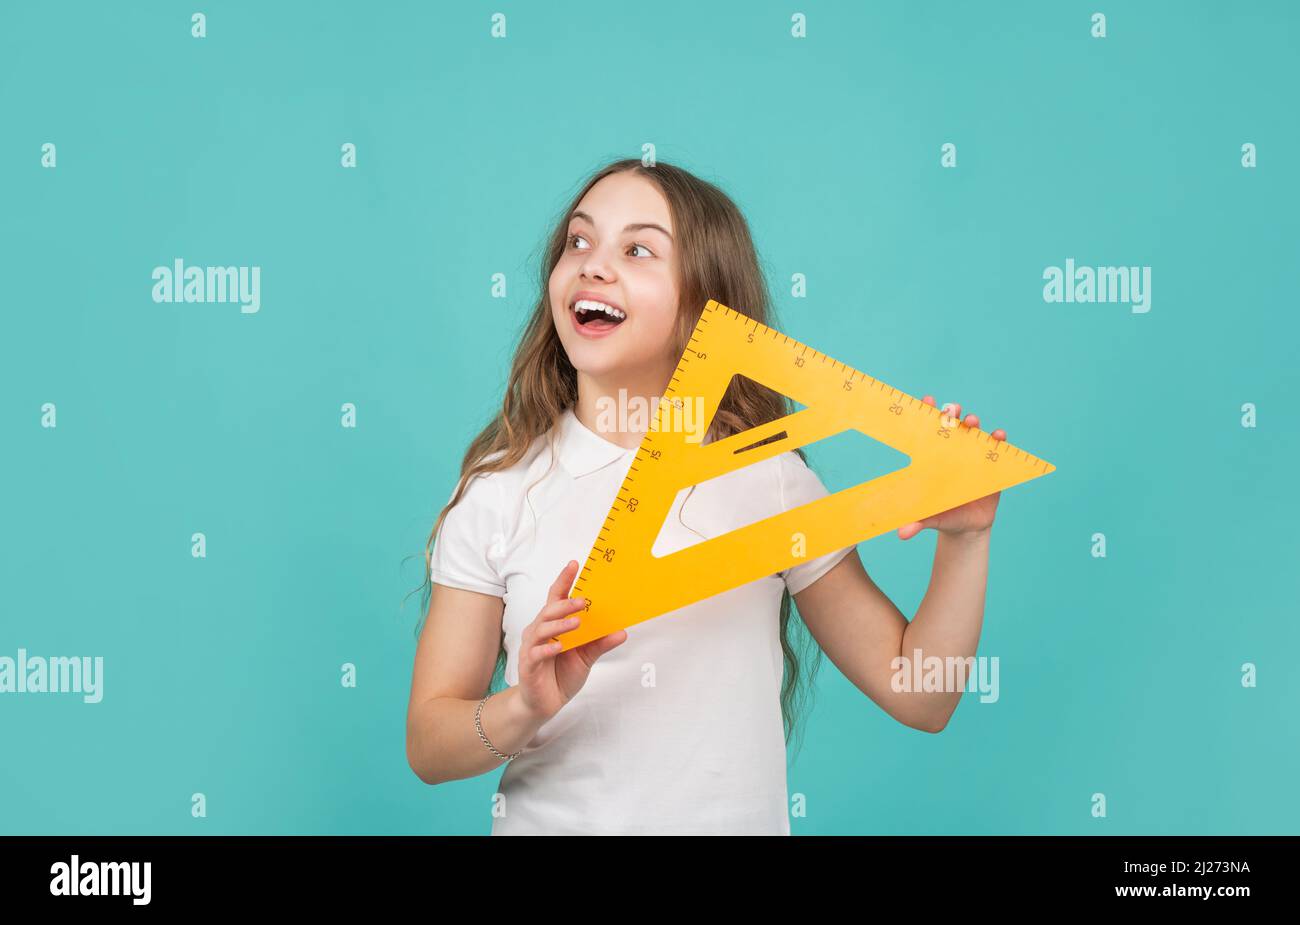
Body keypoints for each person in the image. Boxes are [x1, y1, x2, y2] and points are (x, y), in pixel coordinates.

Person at [405, 158, 1010, 835]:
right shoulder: (499, 492)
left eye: (638, 249)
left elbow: (919, 694)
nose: (594, 265)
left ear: (701, 307)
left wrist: (965, 540)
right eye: (579, 241)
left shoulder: (768, 481)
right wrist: (527, 704)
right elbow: (429, 744)